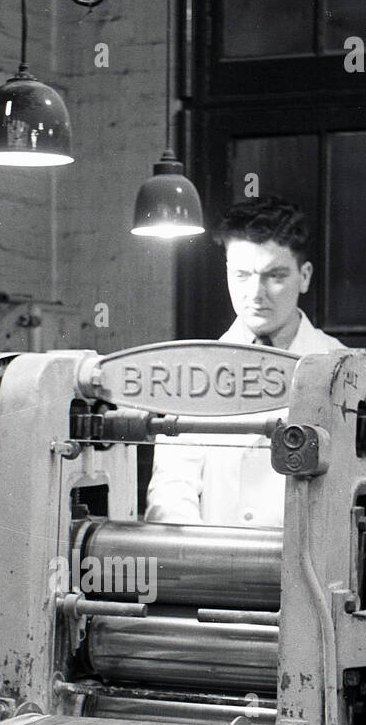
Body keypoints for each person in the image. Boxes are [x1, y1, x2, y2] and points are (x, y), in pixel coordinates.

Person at [144, 196, 346, 530]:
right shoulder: (196, 371)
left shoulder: (340, 368)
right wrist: (199, 560)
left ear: (305, 276)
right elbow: (171, 491)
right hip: (213, 570)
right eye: (241, 275)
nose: (255, 293)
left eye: (275, 275)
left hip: (309, 573)